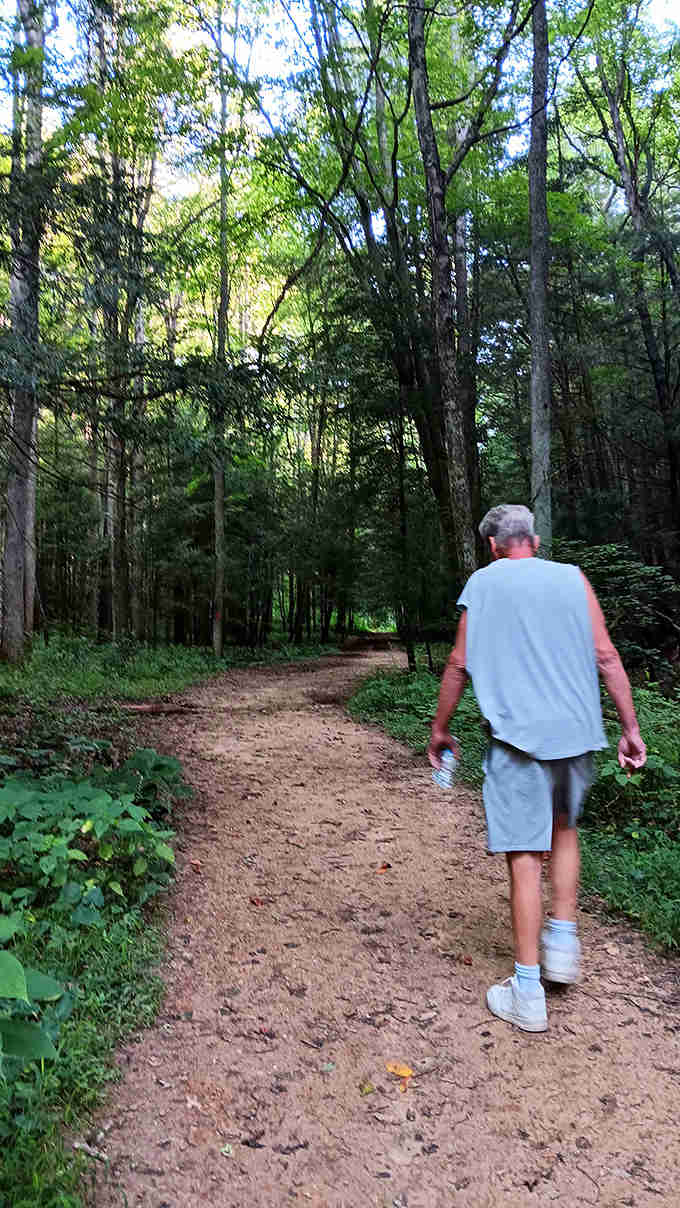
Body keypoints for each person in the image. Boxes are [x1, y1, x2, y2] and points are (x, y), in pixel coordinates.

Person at [428, 504, 646, 1032]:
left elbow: (459, 663)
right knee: (564, 830)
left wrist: (440, 728)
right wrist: (630, 728)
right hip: (575, 735)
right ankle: (564, 944)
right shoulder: (573, 579)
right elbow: (607, 656)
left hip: (516, 739)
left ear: (494, 545)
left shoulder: (482, 585)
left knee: (525, 854)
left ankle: (527, 992)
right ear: (536, 539)